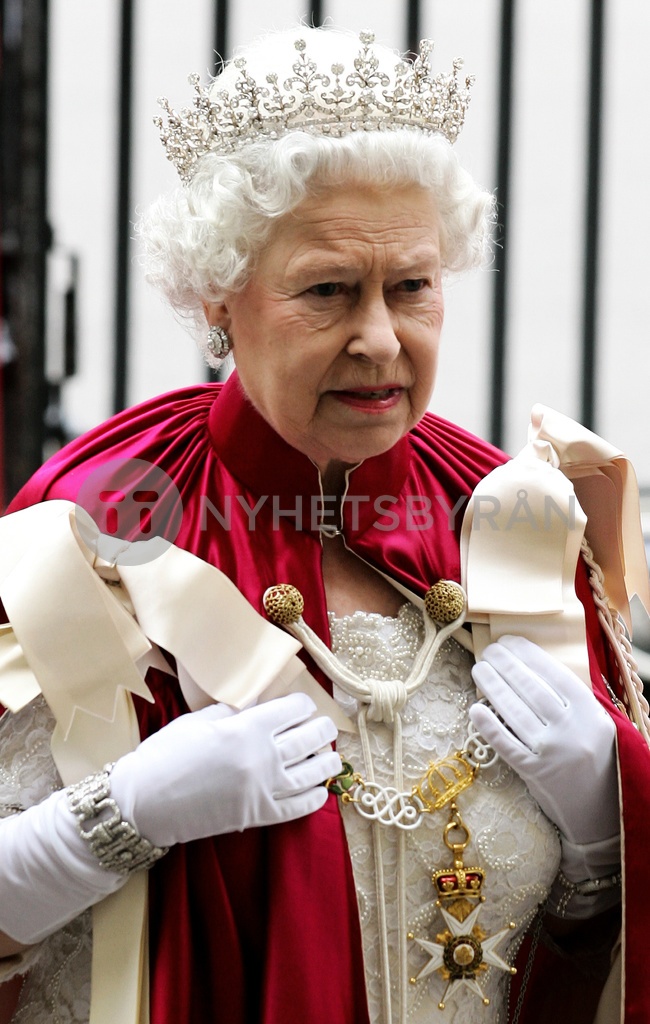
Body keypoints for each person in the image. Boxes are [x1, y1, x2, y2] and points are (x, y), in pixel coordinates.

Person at [0, 24, 648, 1024]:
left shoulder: (511, 529)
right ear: (220, 297)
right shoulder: (86, 535)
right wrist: (111, 823)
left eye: (412, 286)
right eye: (328, 290)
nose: (381, 339)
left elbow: (571, 951)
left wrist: (612, 836)